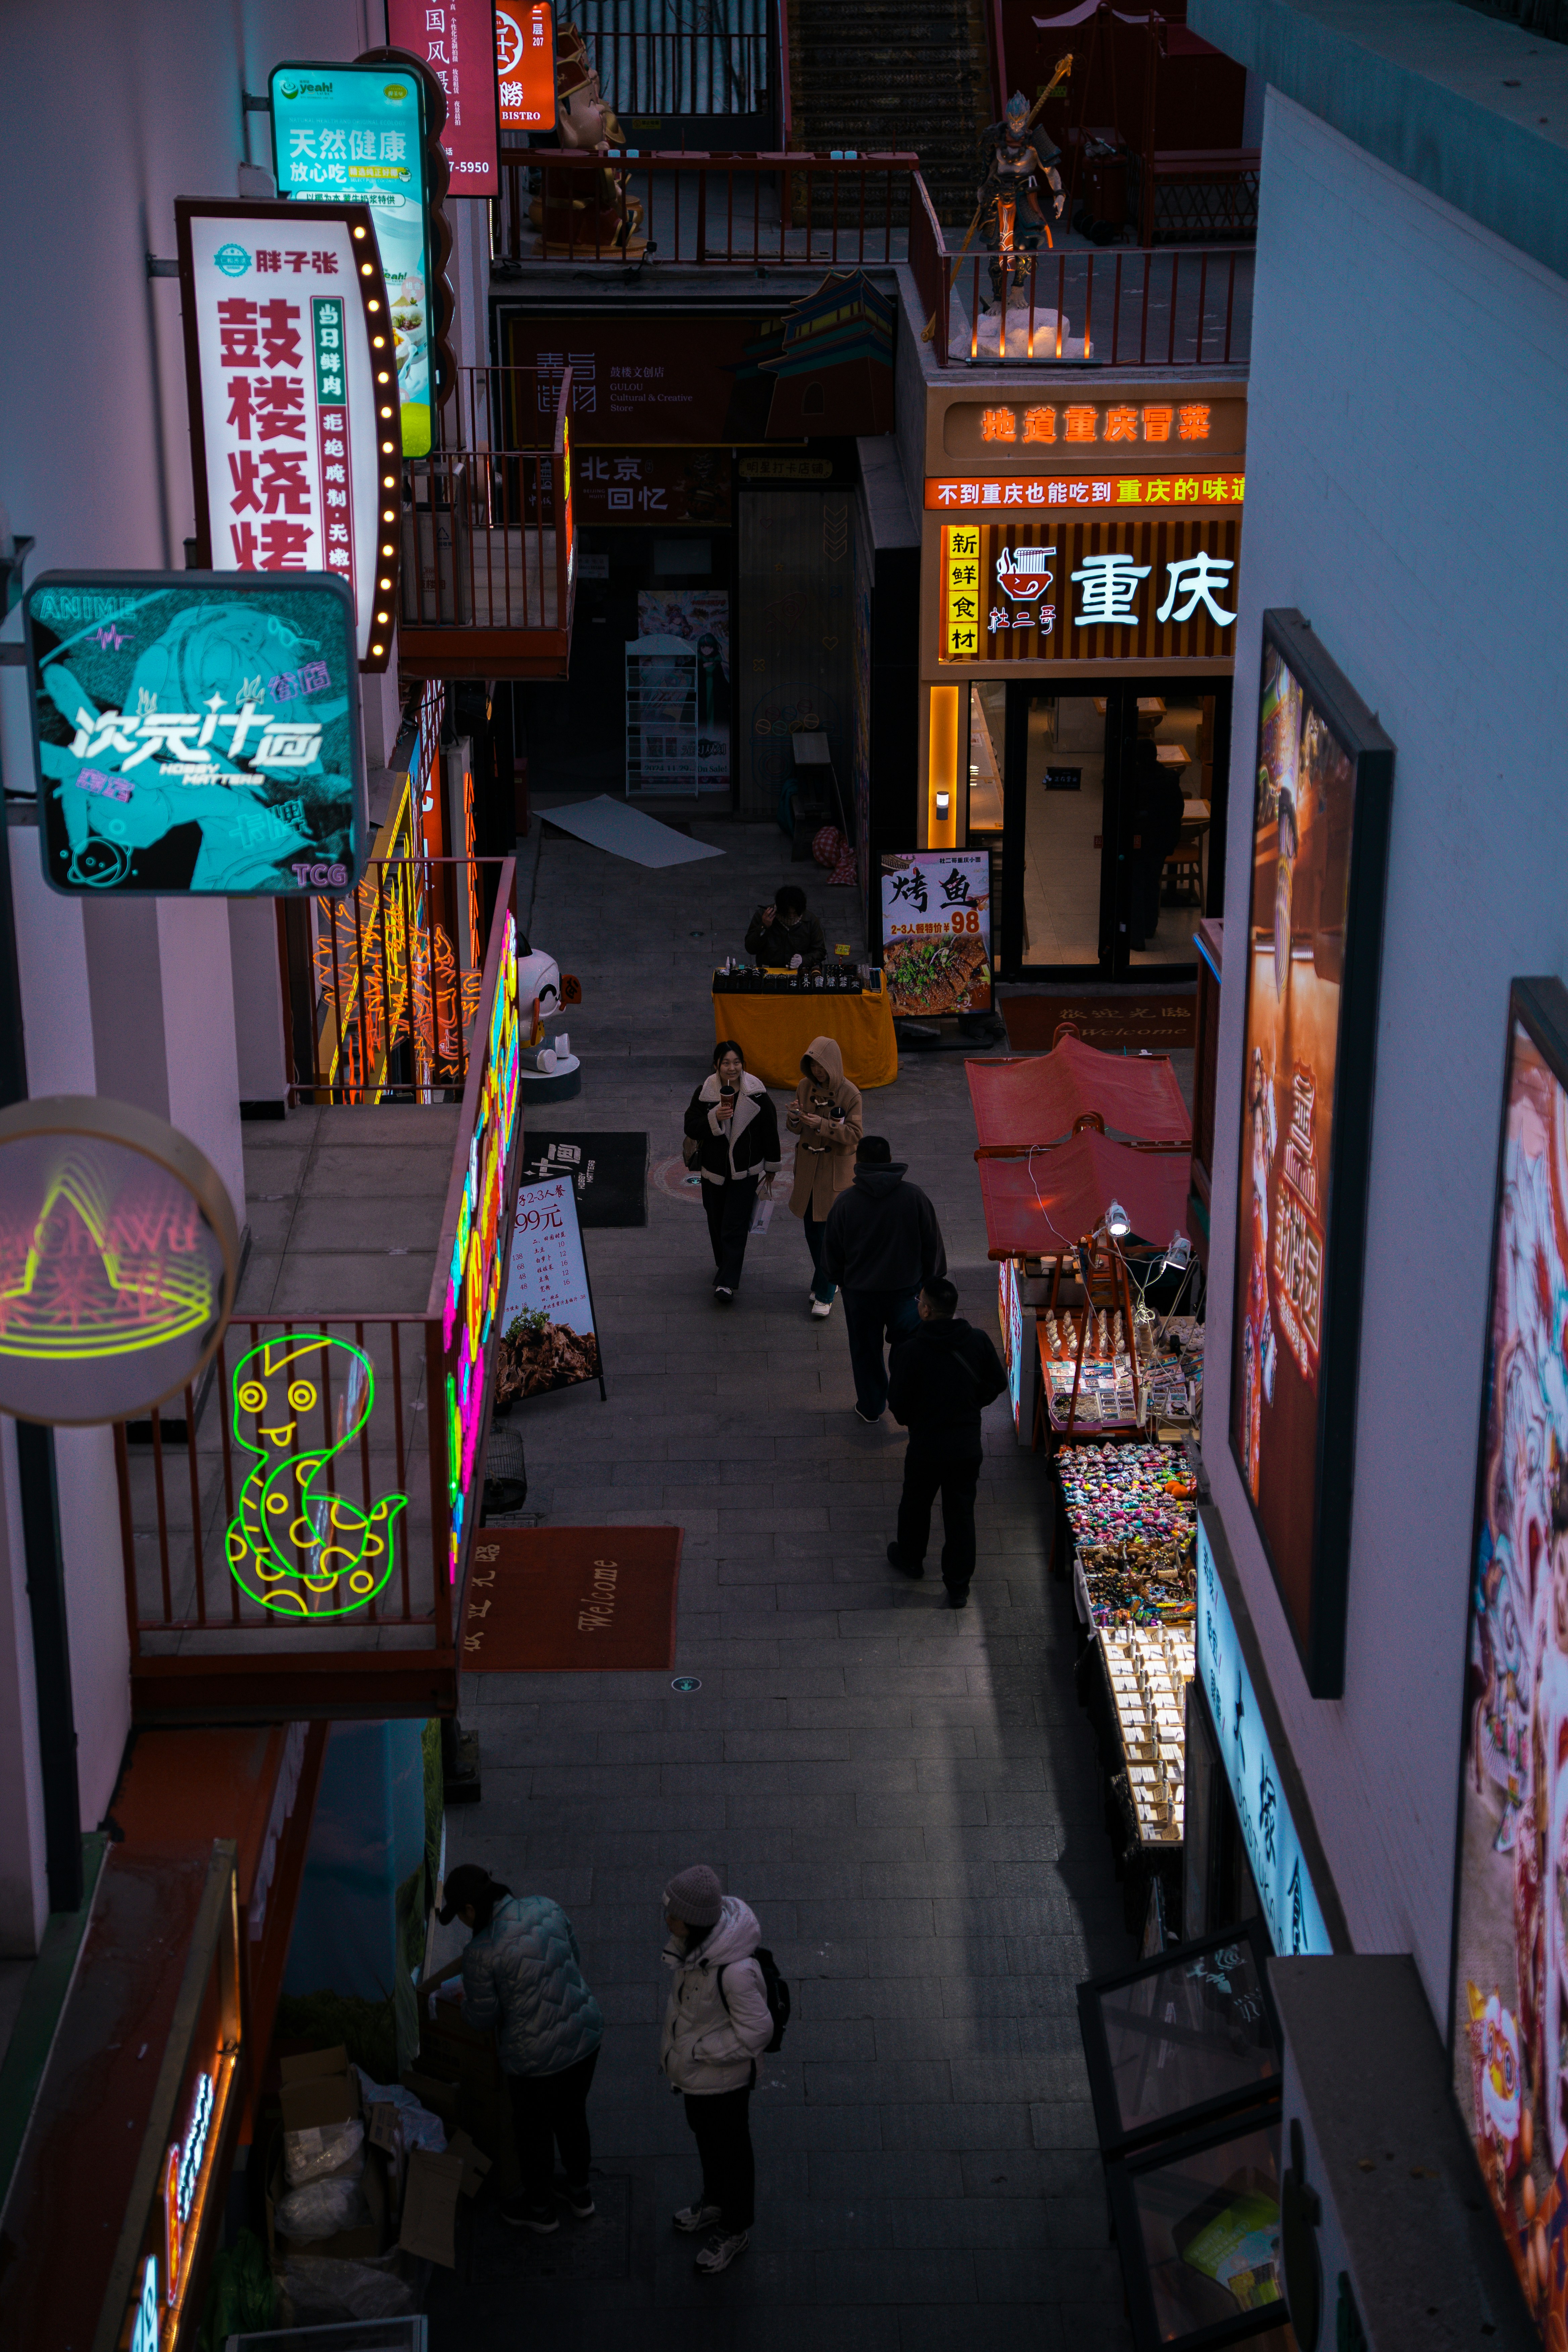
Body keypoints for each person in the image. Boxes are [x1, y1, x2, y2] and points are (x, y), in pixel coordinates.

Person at [437, 1863, 604, 2234]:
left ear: (469, 1910)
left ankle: (540, 2208)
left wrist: (464, 2003)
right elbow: (573, 1959)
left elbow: (482, 2018)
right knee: (573, 2116)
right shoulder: (546, 1906)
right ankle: (580, 2195)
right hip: (584, 2035)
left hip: (535, 2060)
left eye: (461, 1916)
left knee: (535, 2132)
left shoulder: (481, 1952)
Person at [659, 1864, 773, 2276]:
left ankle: (734, 2228)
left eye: (671, 1912)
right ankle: (714, 2201)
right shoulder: (693, 1949)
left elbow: (758, 2031)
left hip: (722, 2080)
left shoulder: (736, 1972)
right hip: (697, 2077)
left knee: (733, 2153)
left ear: (694, 1920)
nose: (665, 1918)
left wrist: (703, 2051)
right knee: (707, 2140)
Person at [886, 1277, 1007, 1608]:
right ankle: (957, 1586)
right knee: (960, 1513)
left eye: (919, 1301)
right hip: (966, 1446)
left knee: (915, 1503)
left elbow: (897, 1404)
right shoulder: (978, 1341)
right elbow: (997, 1382)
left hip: (926, 1446)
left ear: (925, 1310)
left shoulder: (910, 1351)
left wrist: (917, 1420)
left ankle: (911, 1559)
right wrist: (972, 1405)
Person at [820, 1136, 947, 1424]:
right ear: (890, 1160)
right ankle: (908, 1403)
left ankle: (871, 1406)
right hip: (907, 1293)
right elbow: (932, 1245)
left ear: (858, 1164)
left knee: (865, 1352)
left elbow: (831, 1253)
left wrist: (842, 1281)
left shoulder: (846, 1203)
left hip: (861, 1296)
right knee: (907, 1351)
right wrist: (930, 1281)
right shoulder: (914, 1197)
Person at [683, 1041, 781, 1302]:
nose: (732, 1068)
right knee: (716, 1221)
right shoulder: (705, 1093)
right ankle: (724, 1264)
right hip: (713, 1172)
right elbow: (691, 1126)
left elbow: (770, 1131)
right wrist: (714, 1117)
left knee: (734, 1225)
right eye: (726, 1063)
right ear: (716, 1065)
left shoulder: (757, 1094)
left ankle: (726, 1282)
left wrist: (771, 1166)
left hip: (745, 1173)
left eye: (737, 1062)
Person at [786, 1036, 862, 1321]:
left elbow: (855, 1136)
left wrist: (824, 1125)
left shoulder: (851, 1094)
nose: (818, 1072)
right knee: (811, 1232)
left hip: (833, 1174)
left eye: (822, 1066)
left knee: (828, 1237)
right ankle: (825, 1281)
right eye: (813, 1066)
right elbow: (795, 1129)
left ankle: (826, 1293)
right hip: (808, 1170)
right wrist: (795, 1117)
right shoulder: (805, 1087)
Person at [976, 91, 1065, 308]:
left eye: (1021, 121)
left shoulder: (1036, 141)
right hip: (997, 195)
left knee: (1028, 245)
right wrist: (981, 195)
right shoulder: (996, 138)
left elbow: (1051, 171)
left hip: (1025, 196)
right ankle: (997, 299)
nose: (1016, 126)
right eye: (1013, 121)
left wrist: (1060, 194)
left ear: (1027, 118)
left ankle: (1018, 290)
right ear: (1008, 118)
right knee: (995, 249)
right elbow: (988, 170)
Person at [1128, 737, 1187, 949]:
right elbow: (1178, 810)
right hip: (1161, 842)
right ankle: (1149, 928)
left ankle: (1136, 935)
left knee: (1136, 884)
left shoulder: (1134, 779)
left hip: (1139, 842)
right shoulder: (1170, 779)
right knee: (1153, 881)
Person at [744, 883, 826, 972]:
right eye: (788, 914)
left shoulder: (811, 921)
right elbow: (751, 948)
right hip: (768, 971)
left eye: (795, 913)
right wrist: (764, 926)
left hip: (798, 971)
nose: (792, 917)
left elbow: (820, 951)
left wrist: (804, 960)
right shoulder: (763, 915)